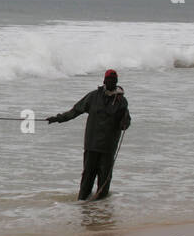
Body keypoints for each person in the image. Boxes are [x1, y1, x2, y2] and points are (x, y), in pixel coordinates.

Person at [47, 69, 132, 200]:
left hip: (109, 147)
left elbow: (125, 122)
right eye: (109, 79)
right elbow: (75, 111)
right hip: (92, 144)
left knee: (104, 179)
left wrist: (125, 122)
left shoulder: (121, 101)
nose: (111, 82)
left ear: (116, 82)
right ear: (104, 81)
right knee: (87, 177)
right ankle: (82, 205)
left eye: (113, 80)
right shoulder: (93, 96)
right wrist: (58, 118)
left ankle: (100, 211)